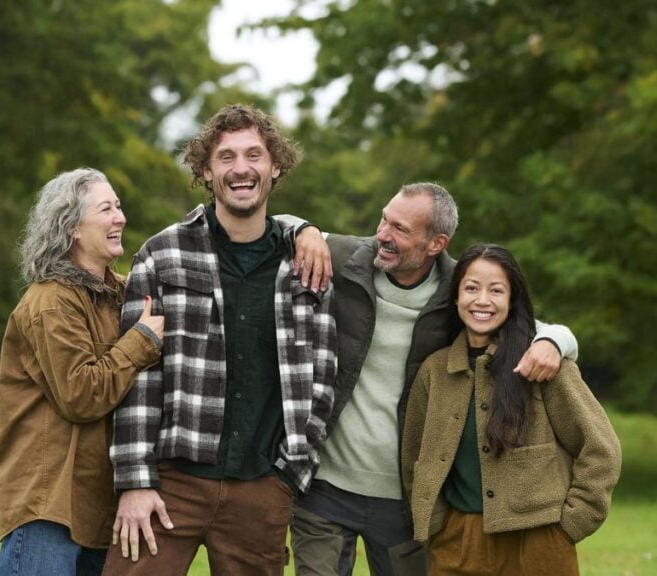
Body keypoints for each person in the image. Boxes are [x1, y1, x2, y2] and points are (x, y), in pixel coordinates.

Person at [285, 183, 579, 576]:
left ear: (436, 243)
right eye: (384, 219)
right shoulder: (343, 256)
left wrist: (554, 342)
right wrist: (302, 229)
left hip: (405, 501)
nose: (383, 235)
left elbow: (533, 326)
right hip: (324, 487)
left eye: (400, 229)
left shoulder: (459, 290)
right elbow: (265, 225)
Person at [103, 103, 337, 575]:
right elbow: (138, 378)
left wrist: (290, 472)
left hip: (262, 488)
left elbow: (323, 374)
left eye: (254, 155)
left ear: (275, 166)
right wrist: (135, 481)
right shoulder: (161, 254)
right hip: (171, 483)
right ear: (206, 173)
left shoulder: (307, 263)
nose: (241, 168)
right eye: (226, 157)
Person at [401, 243, 621, 574]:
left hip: (539, 540)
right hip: (456, 542)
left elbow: (601, 448)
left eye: (496, 290)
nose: (482, 301)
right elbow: (413, 457)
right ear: (457, 296)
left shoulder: (544, 365)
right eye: (471, 288)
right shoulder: (435, 371)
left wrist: (570, 526)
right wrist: (436, 525)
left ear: (511, 300)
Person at [0, 168, 164, 576]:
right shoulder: (51, 302)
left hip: (98, 506)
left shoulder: (120, 294)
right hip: (47, 507)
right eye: (106, 209)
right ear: (71, 229)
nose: (120, 217)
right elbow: (81, 394)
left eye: (118, 206)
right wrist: (140, 342)